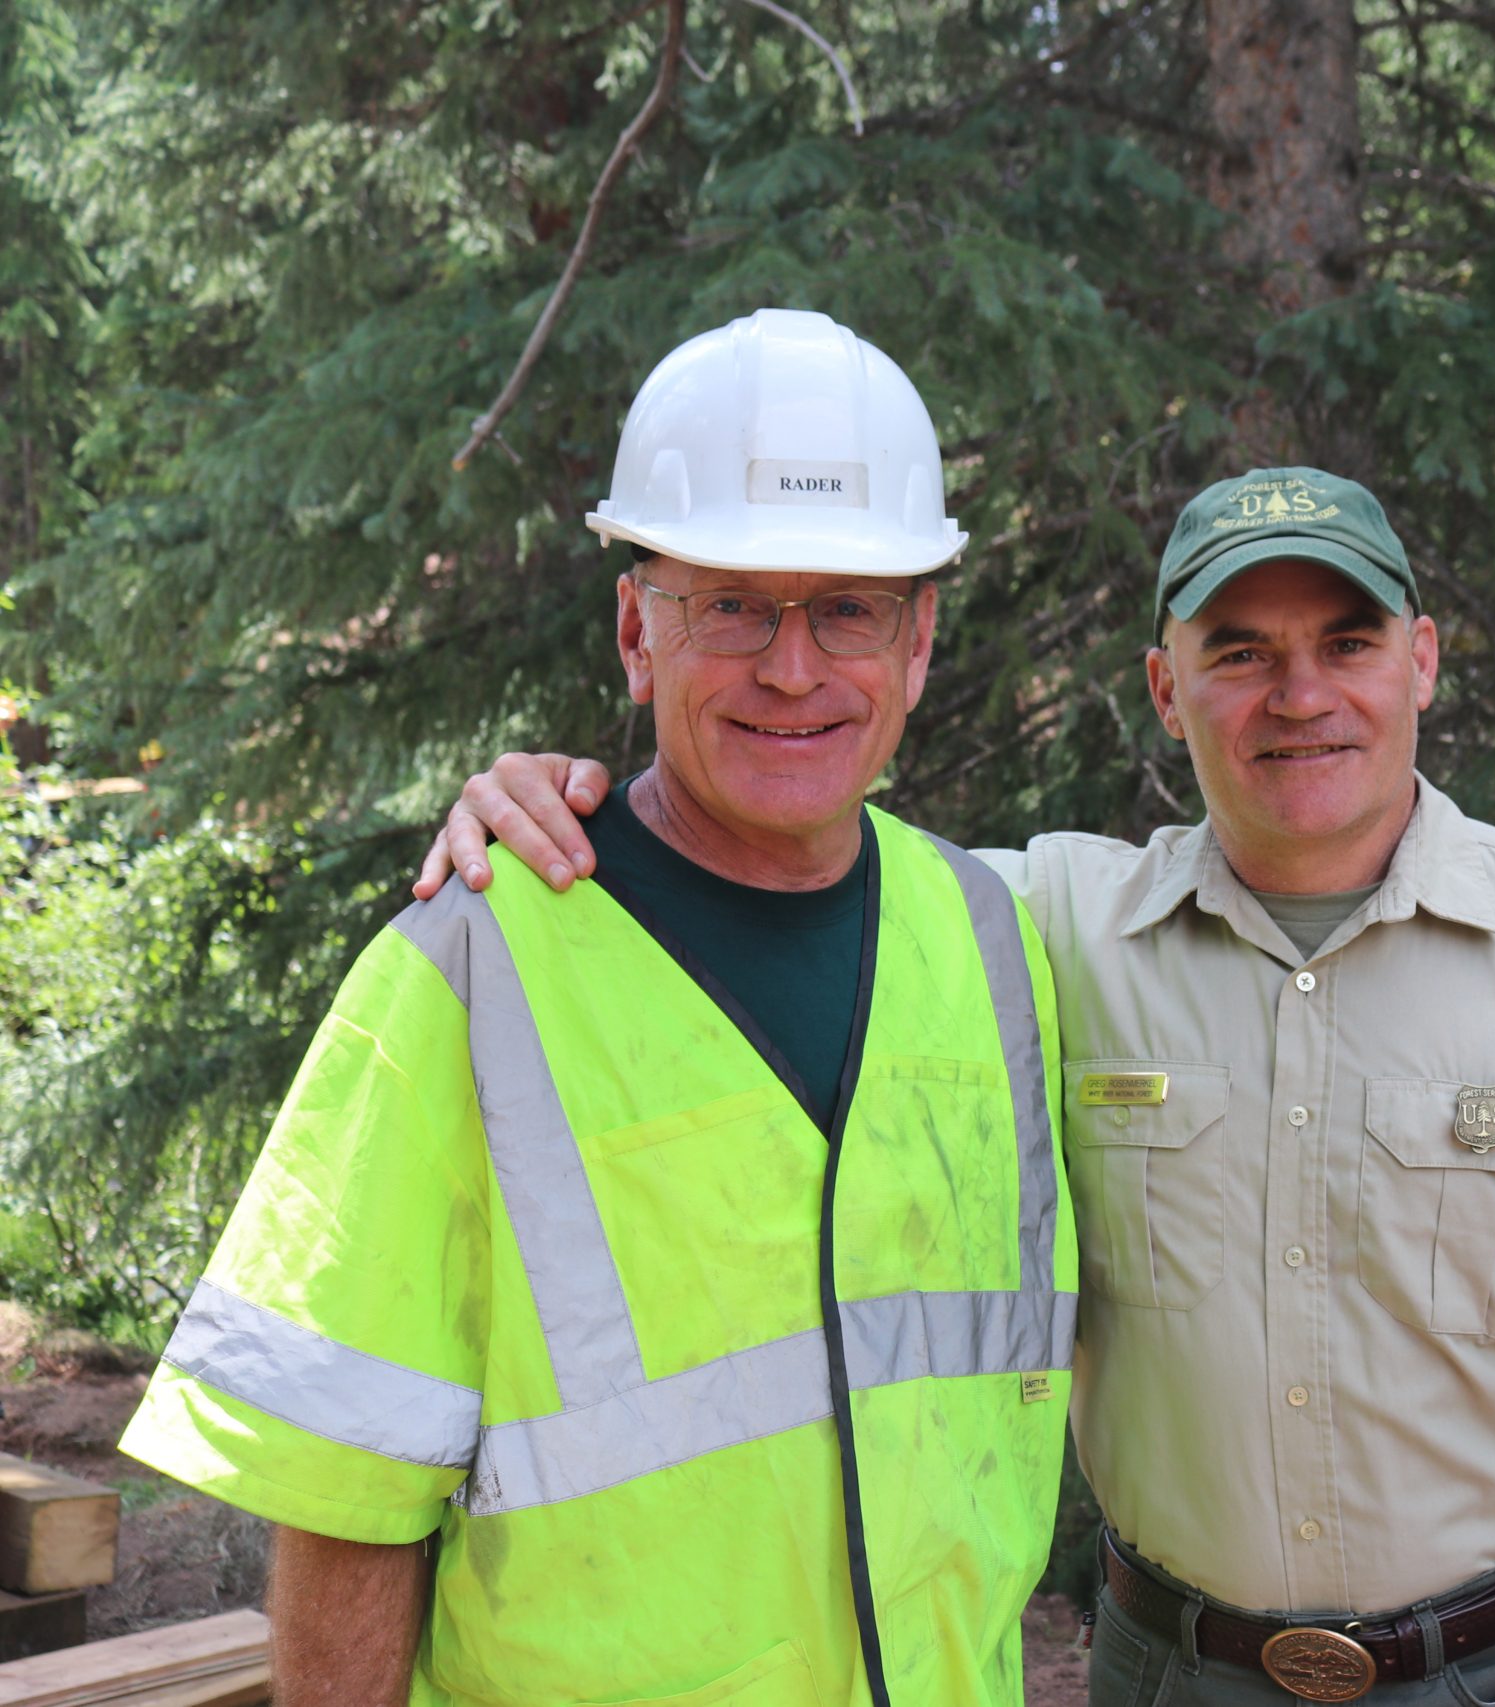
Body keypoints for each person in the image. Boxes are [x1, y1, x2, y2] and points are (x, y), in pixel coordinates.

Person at [422, 465, 1495, 1706]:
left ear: (1421, 663)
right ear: (1163, 686)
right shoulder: (1033, 933)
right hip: (1176, 1677)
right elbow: (789, 862)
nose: (1299, 696)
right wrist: (561, 804)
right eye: (1239, 654)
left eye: (1348, 645)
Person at [121, 309, 1077, 1707]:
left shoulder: (996, 939)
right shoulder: (469, 961)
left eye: (849, 610)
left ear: (922, 641)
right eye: (731, 604)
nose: (793, 668)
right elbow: (345, 1486)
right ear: (638, 630)